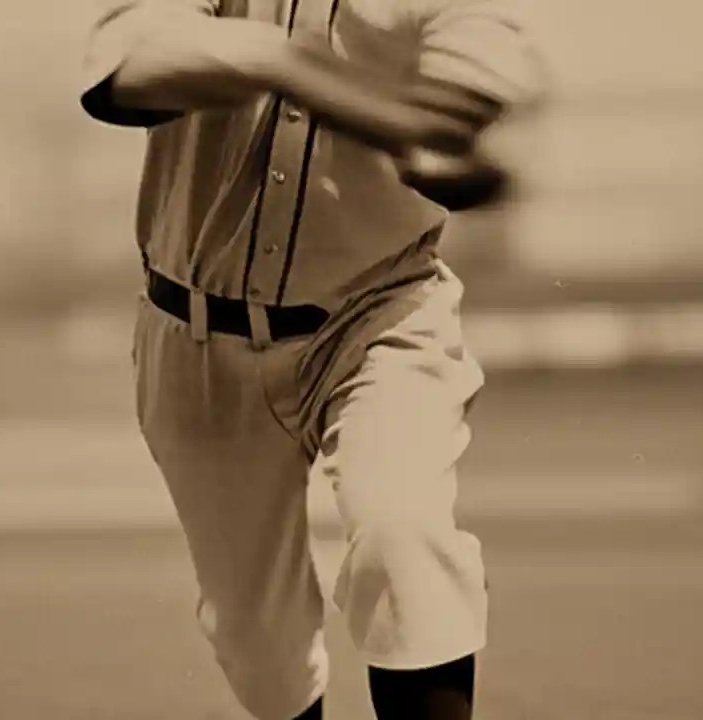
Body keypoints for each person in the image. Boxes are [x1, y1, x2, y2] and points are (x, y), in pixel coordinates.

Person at [77, 1, 543, 718]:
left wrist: (440, 119)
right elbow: (123, 72)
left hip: (378, 314)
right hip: (193, 328)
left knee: (404, 539)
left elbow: (455, 110)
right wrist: (284, 62)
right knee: (258, 644)